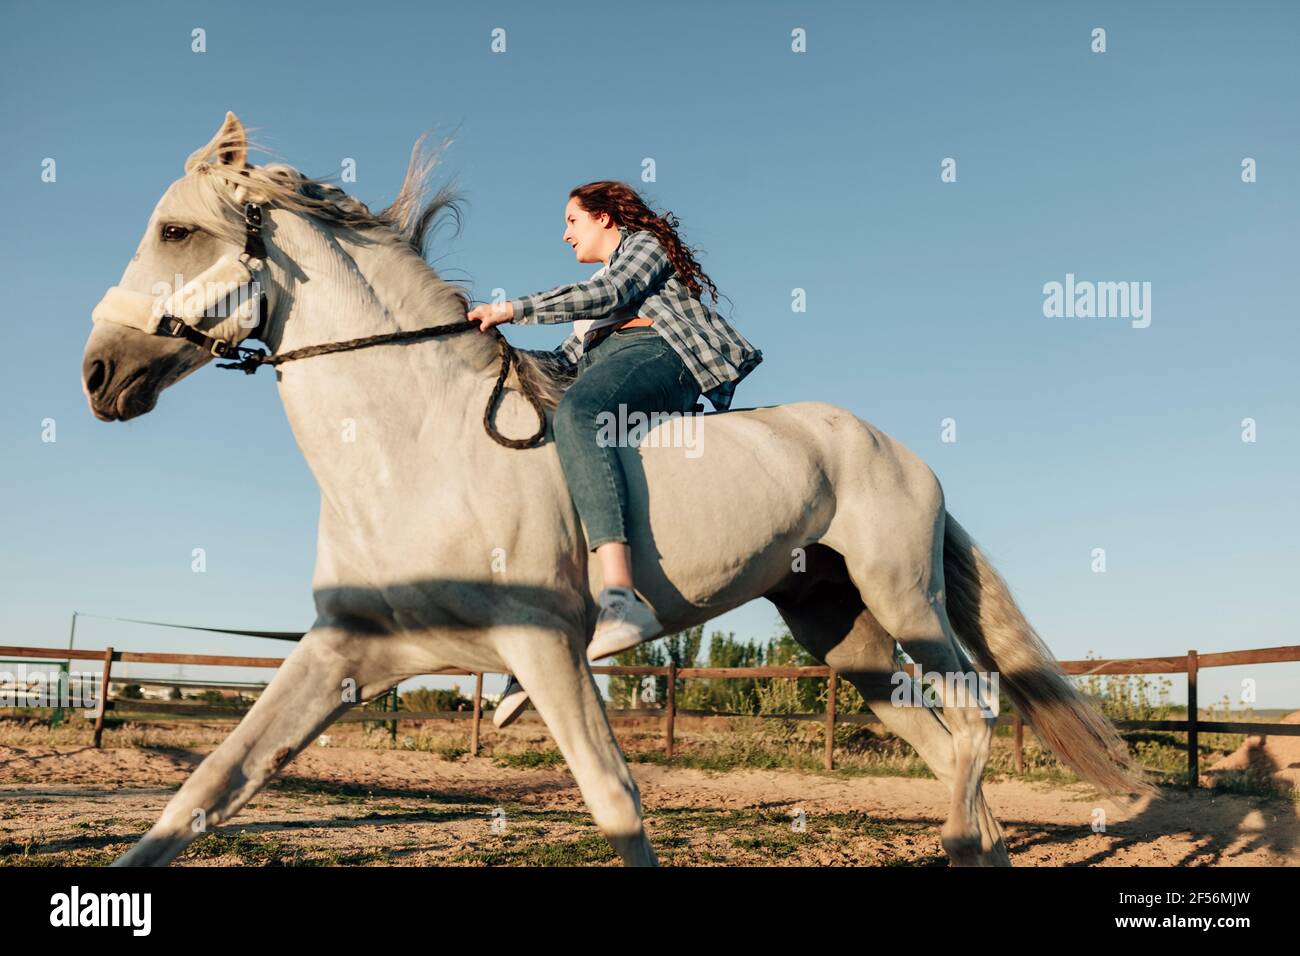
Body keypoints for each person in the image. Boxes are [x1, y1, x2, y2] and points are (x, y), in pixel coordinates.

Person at [467, 181, 762, 727]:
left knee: (580, 414)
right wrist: (486, 346)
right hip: (607, 367)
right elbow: (561, 361)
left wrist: (509, 308)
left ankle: (621, 598)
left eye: (572, 220)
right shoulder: (591, 296)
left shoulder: (641, 246)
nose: (565, 233)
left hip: (660, 355)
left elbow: (606, 297)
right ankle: (541, 634)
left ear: (605, 218)